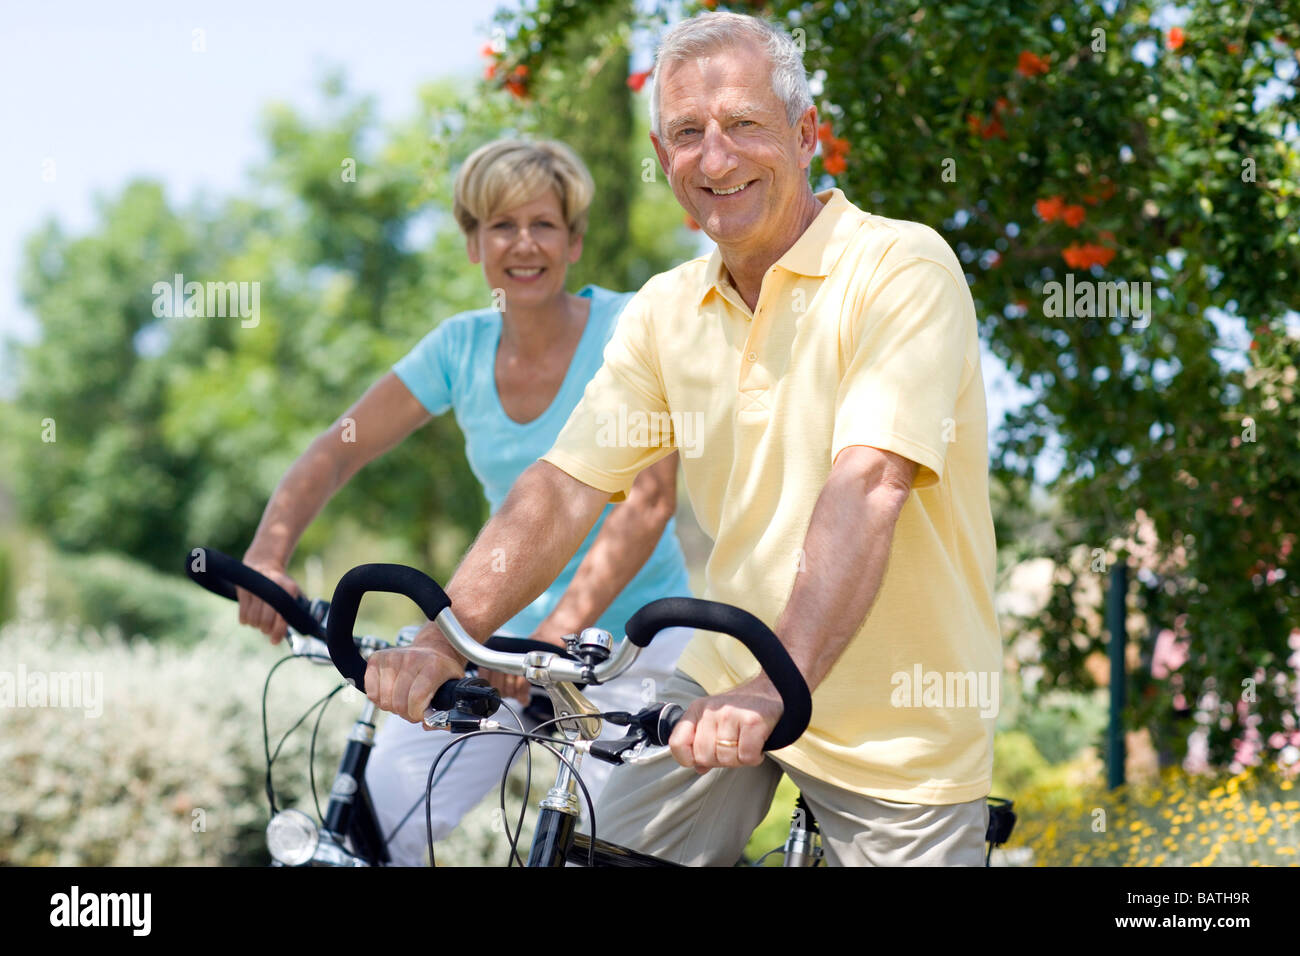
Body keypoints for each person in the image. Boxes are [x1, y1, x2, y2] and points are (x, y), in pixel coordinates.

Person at [365, 10, 1002, 866]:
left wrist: (780, 683)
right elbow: (564, 487)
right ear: (663, 160)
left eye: (744, 125)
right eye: (687, 135)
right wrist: (444, 635)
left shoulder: (900, 268)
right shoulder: (667, 309)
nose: (716, 157)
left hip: (897, 719)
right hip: (719, 677)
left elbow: (868, 484)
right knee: (599, 850)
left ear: (806, 134)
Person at [237, 138, 693, 866]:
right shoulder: (459, 347)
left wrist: (560, 630)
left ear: (574, 240)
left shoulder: (628, 327)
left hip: (632, 637)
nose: (523, 243)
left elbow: (648, 500)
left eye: (543, 224)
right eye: (499, 225)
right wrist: (269, 553)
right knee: (373, 828)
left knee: (612, 849)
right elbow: (340, 446)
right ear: (473, 244)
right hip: (499, 630)